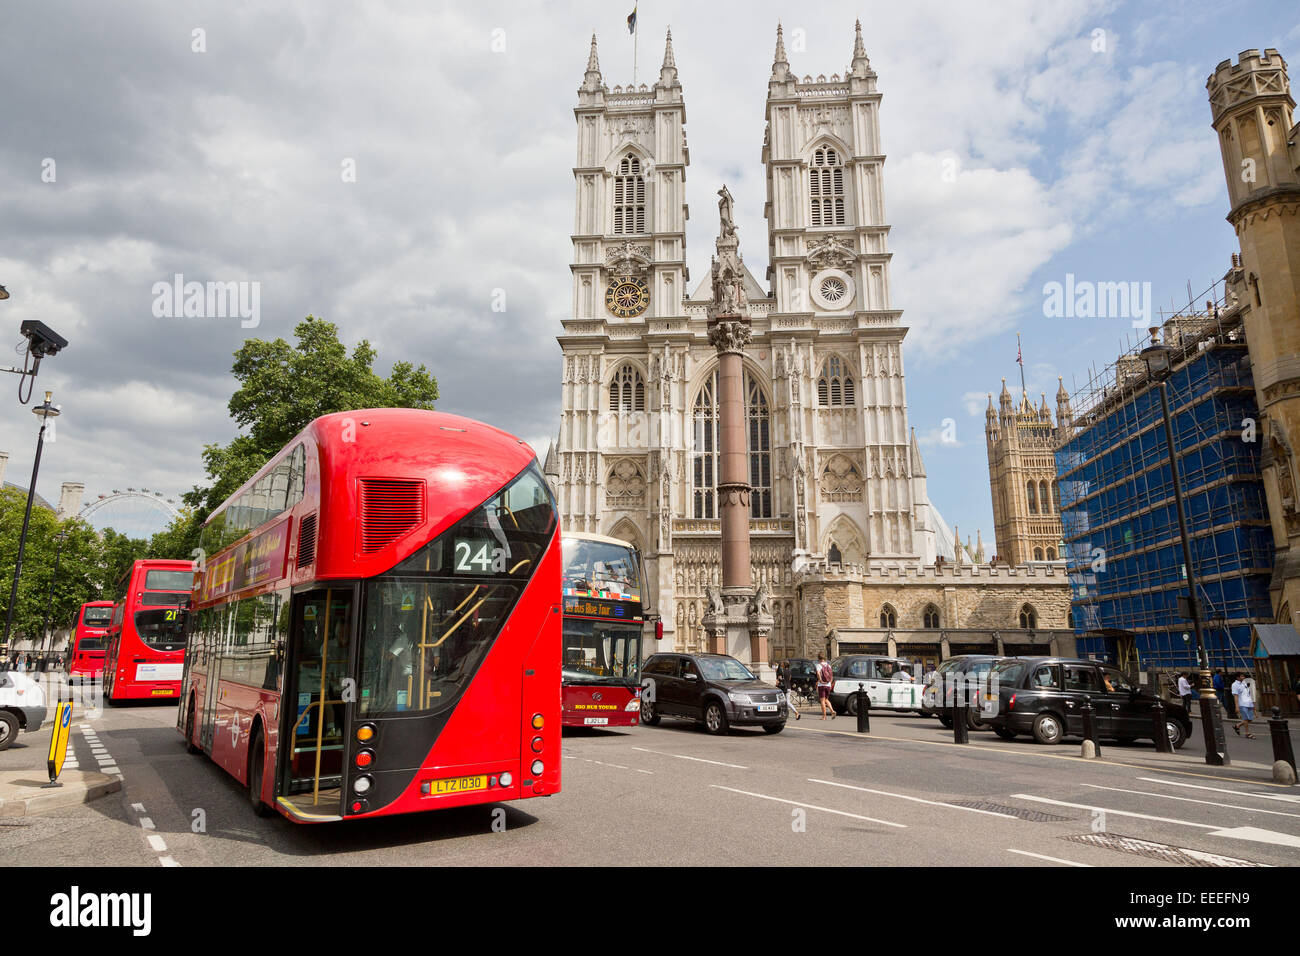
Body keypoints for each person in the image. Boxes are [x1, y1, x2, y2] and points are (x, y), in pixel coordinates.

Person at [1231, 672, 1256, 739]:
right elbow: (1235, 696)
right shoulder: (1234, 685)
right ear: (1237, 677)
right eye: (1242, 676)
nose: (1243, 677)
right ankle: (1247, 733)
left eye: (1243, 676)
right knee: (1245, 719)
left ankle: (1237, 725)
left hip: (1249, 703)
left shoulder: (1244, 683)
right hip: (1242, 704)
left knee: (1250, 719)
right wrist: (1237, 706)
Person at [815, 653, 835, 720]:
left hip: (822, 685)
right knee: (826, 699)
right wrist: (830, 682)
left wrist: (820, 680)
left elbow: (818, 673)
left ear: (819, 658)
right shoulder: (828, 665)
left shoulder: (818, 665)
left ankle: (824, 716)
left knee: (822, 701)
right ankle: (832, 711)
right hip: (828, 685)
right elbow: (831, 675)